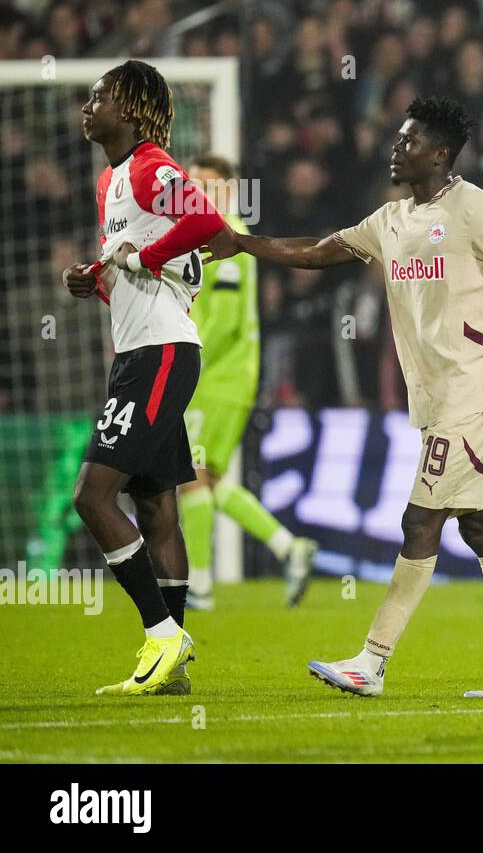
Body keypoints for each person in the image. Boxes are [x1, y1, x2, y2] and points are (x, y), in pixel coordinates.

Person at [205, 96, 483, 698]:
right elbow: (319, 251)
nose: (395, 149)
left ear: (441, 153)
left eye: (409, 142)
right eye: (396, 140)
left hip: (472, 391)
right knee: (481, 527)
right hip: (433, 398)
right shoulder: (390, 219)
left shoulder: (477, 208)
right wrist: (246, 244)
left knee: (418, 521)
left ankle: (371, 662)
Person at [65, 59, 228, 695]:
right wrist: (97, 281)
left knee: (91, 496)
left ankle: (162, 634)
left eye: (99, 96)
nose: (88, 104)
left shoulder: (146, 166)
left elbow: (208, 221)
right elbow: (141, 278)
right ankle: (173, 673)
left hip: (157, 354)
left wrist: (145, 253)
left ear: (129, 109)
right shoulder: (112, 180)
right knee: (156, 504)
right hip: (146, 348)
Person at [177, 153, 318, 612]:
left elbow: (224, 322)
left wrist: (183, 365)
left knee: (192, 478)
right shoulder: (206, 233)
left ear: (228, 191)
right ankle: (286, 547)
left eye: (206, 184)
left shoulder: (225, 235)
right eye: (191, 183)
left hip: (217, 374)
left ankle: (197, 584)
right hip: (220, 375)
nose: (195, 191)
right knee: (207, 478)